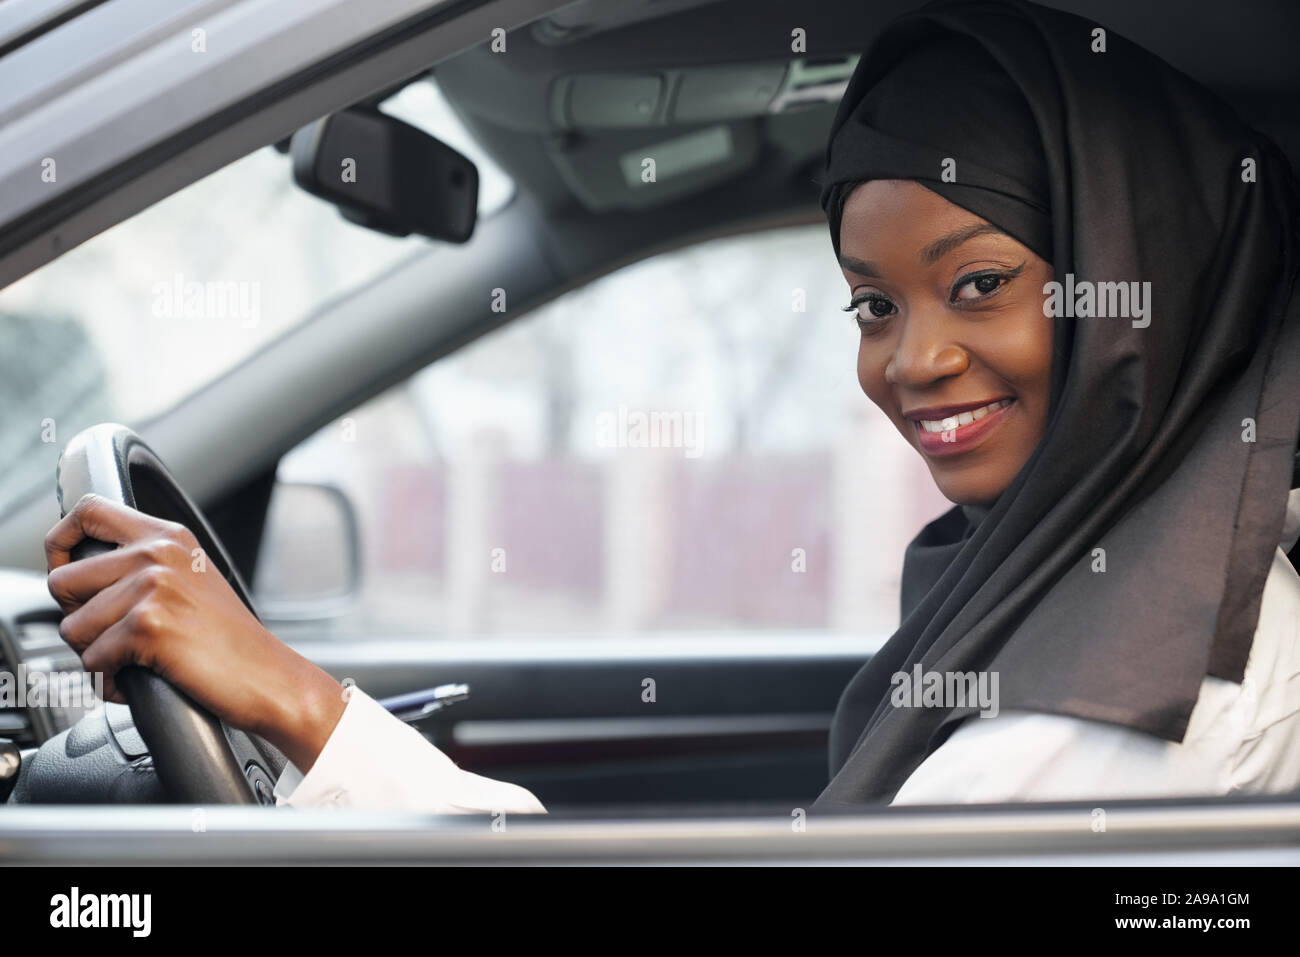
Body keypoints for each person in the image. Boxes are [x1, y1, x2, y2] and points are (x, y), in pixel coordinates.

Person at [44, 0, 1300, 811]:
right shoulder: (1101, 580)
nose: (910, 362)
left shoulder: (1143, 685)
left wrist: (304, 708)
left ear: (1142, 288)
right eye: (871, 305)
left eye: (978, 284)